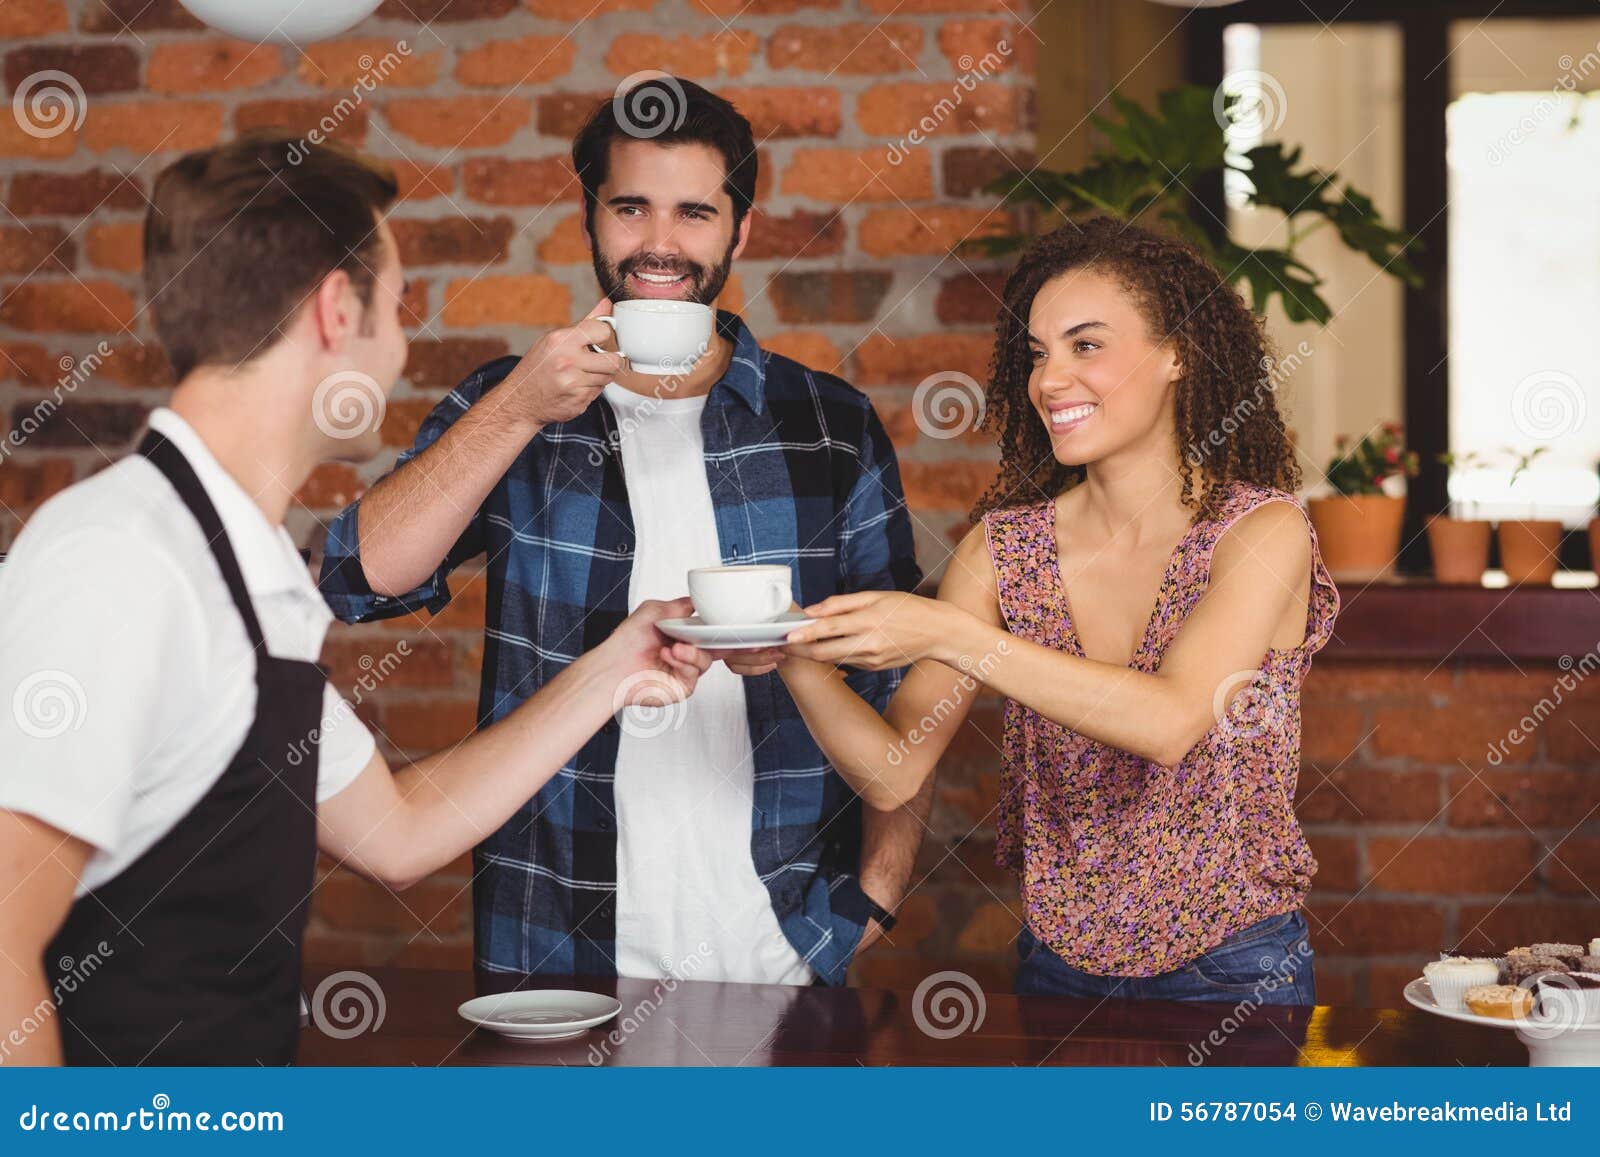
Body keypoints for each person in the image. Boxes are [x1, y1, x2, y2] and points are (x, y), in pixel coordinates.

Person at [0, 135, 711, 1066]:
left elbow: (398, 830)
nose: (404, 342)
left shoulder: (248, 575)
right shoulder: (122, 553)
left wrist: (619, 664)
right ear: (338, 310)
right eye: (397, 306)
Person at [318, 77, 927, 988]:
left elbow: (902, 678)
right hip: (555, 949)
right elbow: (356, 580)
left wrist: (873, 896)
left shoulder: (829, 424)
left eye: (693, 212)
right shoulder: (514, 400)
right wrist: (520, 407)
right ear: (590, 219)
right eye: (631, 208)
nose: (660, 244)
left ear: (740, 230)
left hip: (780, 947)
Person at [724, 217, 1340, 1004]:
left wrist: (954, 634)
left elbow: (1174, 719)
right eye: (1038, 353)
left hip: (1236, 969)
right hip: (1056, 968)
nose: (1049, 380)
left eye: (1086, 346)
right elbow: (893, 772)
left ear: (1177, 353)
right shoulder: (1003, 550)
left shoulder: (1261, 531)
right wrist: (794, 653)